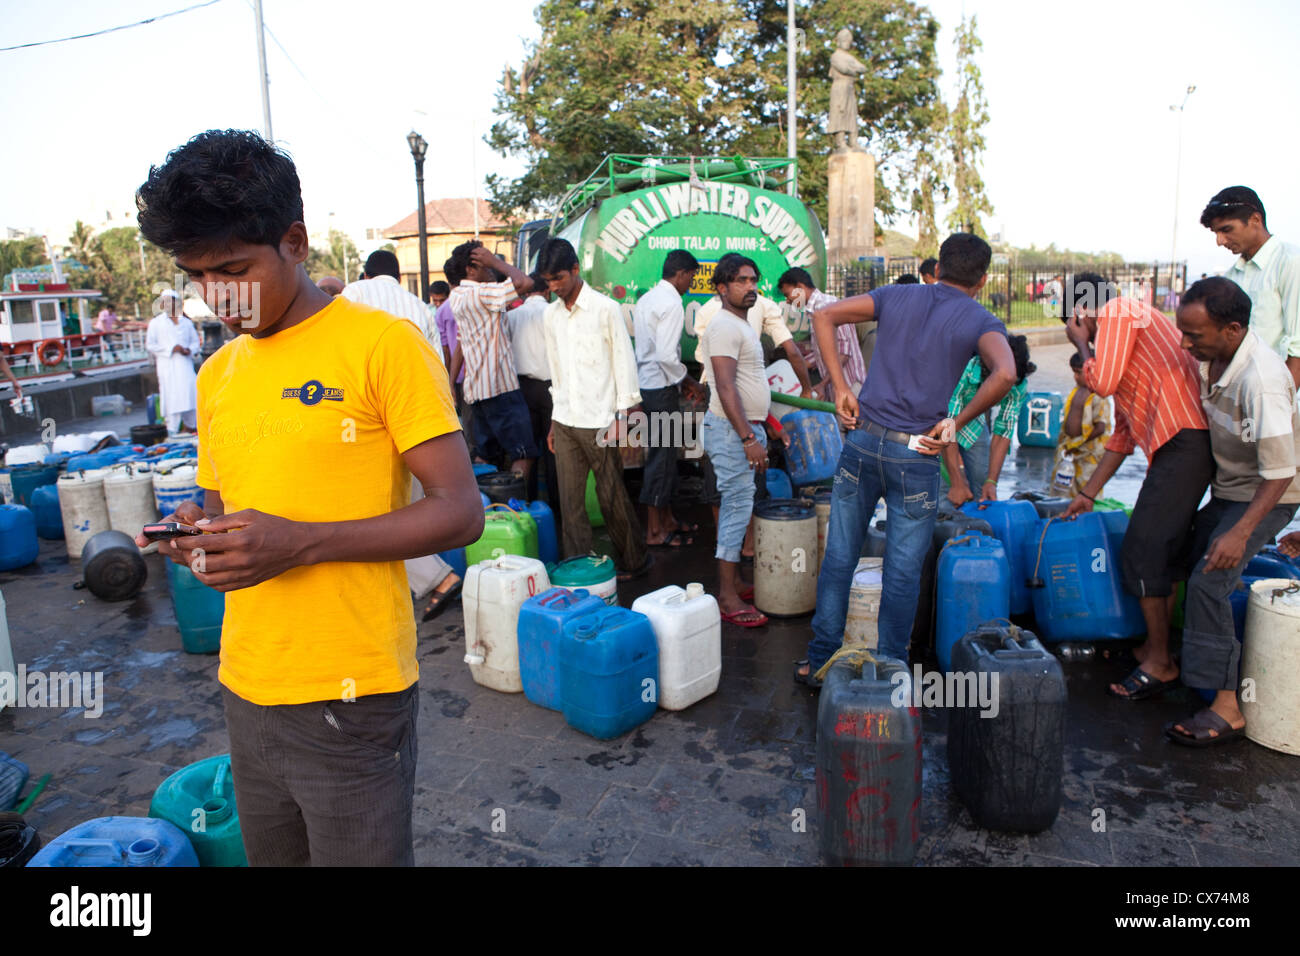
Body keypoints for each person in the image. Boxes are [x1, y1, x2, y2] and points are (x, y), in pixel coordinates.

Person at [133, 128, 481, 866]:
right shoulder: (218, 375)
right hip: (245, 683)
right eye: (199, 278)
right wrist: (196, 534)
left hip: (351, 696)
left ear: (294, 240)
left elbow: (460, 509)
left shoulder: (381, 346)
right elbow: (225, 510)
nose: (217, 298)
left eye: (232, 269)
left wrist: (302, 541)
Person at [796, 233, 1015, 685]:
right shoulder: (980, 319)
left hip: (862, 440)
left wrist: (840, 388)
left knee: (840, 556)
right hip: (916, 455)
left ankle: (819, 660)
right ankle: (890, 669)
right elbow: (1007, 373)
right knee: (901, 571)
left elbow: (823, 315)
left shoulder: (897, 295)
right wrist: (957, 420)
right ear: (982, 279)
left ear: (937, 265)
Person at [1060, 273, 1212, 701]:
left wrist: (1081, 344)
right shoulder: (1128, 346)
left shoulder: (1118, 311)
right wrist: (1087, 495)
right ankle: (1155, 648)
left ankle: (1160, 662)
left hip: (1184, 442)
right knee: (1164, 551)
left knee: (1142, 551)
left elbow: (1100, 382)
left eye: (1071, 320)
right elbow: (1122, 437)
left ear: (1081, 311)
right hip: (1176, 447)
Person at [1164, 278, 1300, 745]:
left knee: (1209, 580)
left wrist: (1241, 532)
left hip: (1269, 493)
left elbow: (1282, 471)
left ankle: (1227, 706)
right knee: (1177, 555)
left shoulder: (1261, 381)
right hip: (1231, 487)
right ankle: (1188, 661)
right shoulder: (1214, 356)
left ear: (1233, 330)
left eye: (1195, 336)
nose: (1186, 343)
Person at [341, 250, 459, 619]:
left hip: (366, 415)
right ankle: (426, 579)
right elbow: (435, 367)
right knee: (411, 504)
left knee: (371, 511)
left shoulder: (352, 295)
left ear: (366, 273)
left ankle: (438, 577)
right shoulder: (419, 307)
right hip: (416, 415)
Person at [539, 238, 650, 580]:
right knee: (570, 504)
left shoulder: (605, 309)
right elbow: (555, 369)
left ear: (575, 269)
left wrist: (624, 416)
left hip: (603, 421)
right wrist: (554, 421)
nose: (554, 286)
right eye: (547, 281)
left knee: (612, 497)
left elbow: (623, 361)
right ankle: (579, 570)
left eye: (558, 278)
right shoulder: (550, 314)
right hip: (567, 421)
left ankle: (635, 561)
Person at [700, 254, 790, 627]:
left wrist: (761, 426)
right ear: (722, 288)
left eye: (753, 280)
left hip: (740, 428)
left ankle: (734, 581)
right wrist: (748, 436)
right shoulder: (723, 326)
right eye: (741, 281)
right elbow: (724, 387)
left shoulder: (739, 323)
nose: (750, 286)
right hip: (729, 430)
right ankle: (727, 595)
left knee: (740, 502)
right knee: (737, 505)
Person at [447, 241, 537, 480]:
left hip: (476, 390)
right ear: (472, 269)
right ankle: (517, 509)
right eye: (485, 264)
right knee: (523, 452)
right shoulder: (480, 292)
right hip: (500, 387)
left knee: (486, 455)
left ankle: (491, 509)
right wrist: (497, 262)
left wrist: (450, 383)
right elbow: (526, 282)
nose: (492, 271)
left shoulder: (456, 296)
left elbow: (460, 343)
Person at [634, 250, 705, 548]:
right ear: (681, 274)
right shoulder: (673, 302)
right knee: (661, 461)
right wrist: (687, 381)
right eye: (690, 277)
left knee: (665, 459)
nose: (690, 283)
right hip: (661, 389)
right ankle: (654, 531)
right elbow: (665, 355)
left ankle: (667, 520)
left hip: (649, 386)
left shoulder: (647, 299)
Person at [1200, 186, 1300, 387]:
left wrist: (1282, 406)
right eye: (1216, 233)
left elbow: (1297, 347)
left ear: (1255, 220)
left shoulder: (1290, 262)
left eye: (1226, 230)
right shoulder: (1232, 276)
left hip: (1277, 396)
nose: (1220, 241)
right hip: (1242, 394)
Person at [942, 334, 1034, 506]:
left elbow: (1003, 431)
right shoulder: (966, 367)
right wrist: (957, 483)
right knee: (942, 490)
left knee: (982, 489)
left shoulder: (1017, 382)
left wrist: (991, 482)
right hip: (939, 419)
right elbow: (948, 425)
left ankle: (978, 524)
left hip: (973, 423)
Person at [507, 271, 559, 508]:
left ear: (527, 292)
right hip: (552, 388)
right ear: (547, 290)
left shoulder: (512, 316)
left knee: (528, 448)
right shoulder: (554, 314)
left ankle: (527, 504)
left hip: (522, 388)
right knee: (553, 448)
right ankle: (556, 506)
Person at [778, 267, 866, 404]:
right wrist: (799, 363)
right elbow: (825, 350)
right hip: (837, 388)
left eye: (787, 294)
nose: (788, 301)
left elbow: (843, 353)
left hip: (850, 386)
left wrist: (822, 384)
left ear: (800, 287)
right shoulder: (815, 311)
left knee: (851, 424)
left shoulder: (827, 307)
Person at [341, 249, 438, 348]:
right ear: (399, 278)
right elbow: (437, 358)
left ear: (365, 276)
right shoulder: (421, 307)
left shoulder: (355, 291)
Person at [1048, 352, 1112, 497]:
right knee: (1064, 488)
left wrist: (1078, 443)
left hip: (1087, 453)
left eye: (1078, 373)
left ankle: (1083, 516)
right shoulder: (1076, 391)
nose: (1075, 377)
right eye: (1074, 373)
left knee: (1085, 489)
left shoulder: (1098, 395)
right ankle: (1065, 516)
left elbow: (1100, 427)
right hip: (1070, 450)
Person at [146, 289, 201, 434]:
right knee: (172, 399)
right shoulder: (156, 323)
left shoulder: (186, 323)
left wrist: (189, 350)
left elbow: (195, 343)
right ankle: (172, 430)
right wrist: (171, 349)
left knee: (191, 395)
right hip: (167, 366)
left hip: (185, 365)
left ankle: (193, 427)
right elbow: (150, 345)